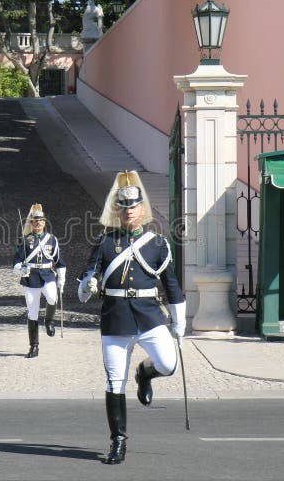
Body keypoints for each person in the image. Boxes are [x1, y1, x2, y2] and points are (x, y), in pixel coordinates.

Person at [77, 171, 186, 465]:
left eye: (133, 206)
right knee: (114, 381)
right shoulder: (104, 242)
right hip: (116, 317)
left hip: (150, 316)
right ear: (117, 209)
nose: (128, 211)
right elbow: (85, 282)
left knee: (168, 364)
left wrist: (179, 321)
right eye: (124, 206)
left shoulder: (157, 243)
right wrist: (86, 285)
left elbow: (171, 284)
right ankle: (118, 441)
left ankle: (145, 374)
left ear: (142, 208)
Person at [13, 203, 66, 358]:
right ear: (31, 223)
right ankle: (34, 346)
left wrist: (61, 278)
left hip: (47, 274)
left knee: (52, 297)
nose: (38, 223)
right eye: (35, 221)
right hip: (30, 277)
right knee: (32, 311)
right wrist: (20, 268)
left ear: (44, 222)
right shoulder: (24, 240)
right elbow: (16, 261)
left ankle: (49, 320)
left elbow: (59, 261)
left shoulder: (52, 240)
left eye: (41, 220)